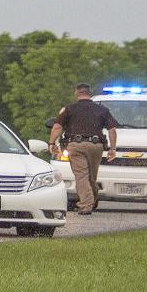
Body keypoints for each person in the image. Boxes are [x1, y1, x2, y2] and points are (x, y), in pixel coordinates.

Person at [48, 83, 117, 215]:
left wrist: (51, 143)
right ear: (89, 93)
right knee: (91, 177)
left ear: (76, 93)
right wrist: (112, 149)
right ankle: (91, 199)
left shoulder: (69, 109)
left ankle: (86, 205)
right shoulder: (102, 110)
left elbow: (57, 127)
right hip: (96, 146)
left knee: (81, 176)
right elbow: (112, 130)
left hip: (76, 145)